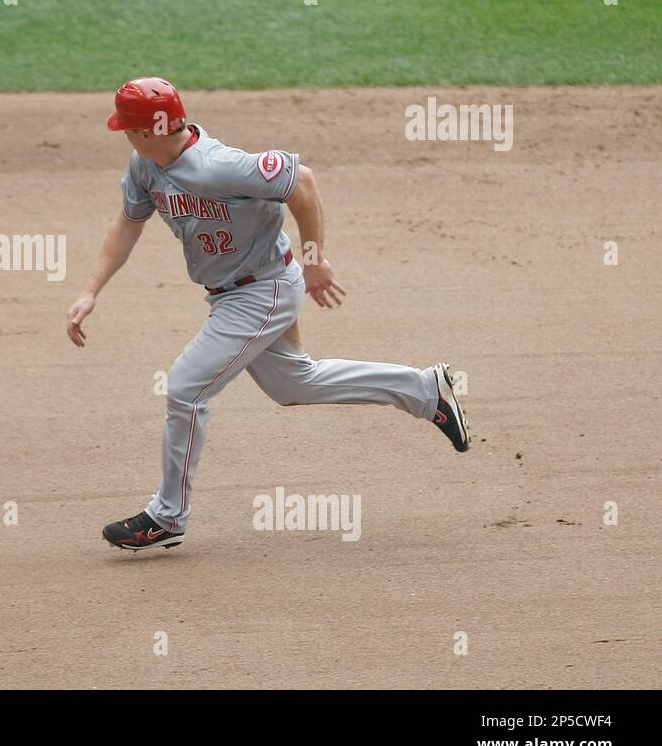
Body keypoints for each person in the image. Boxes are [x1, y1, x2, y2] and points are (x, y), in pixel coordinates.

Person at [68, 77, 471, 552]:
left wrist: (316, 257)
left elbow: (301, 180)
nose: (124, 136)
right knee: (294, 384)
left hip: (263, 291)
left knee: (184, 388)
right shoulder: (144, 166)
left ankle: (167, 516)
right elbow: (126, 224)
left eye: (127, 128)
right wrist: (91, 290)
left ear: (147, 131)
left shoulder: (218, 165)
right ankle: (425, 390)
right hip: (230, 295)